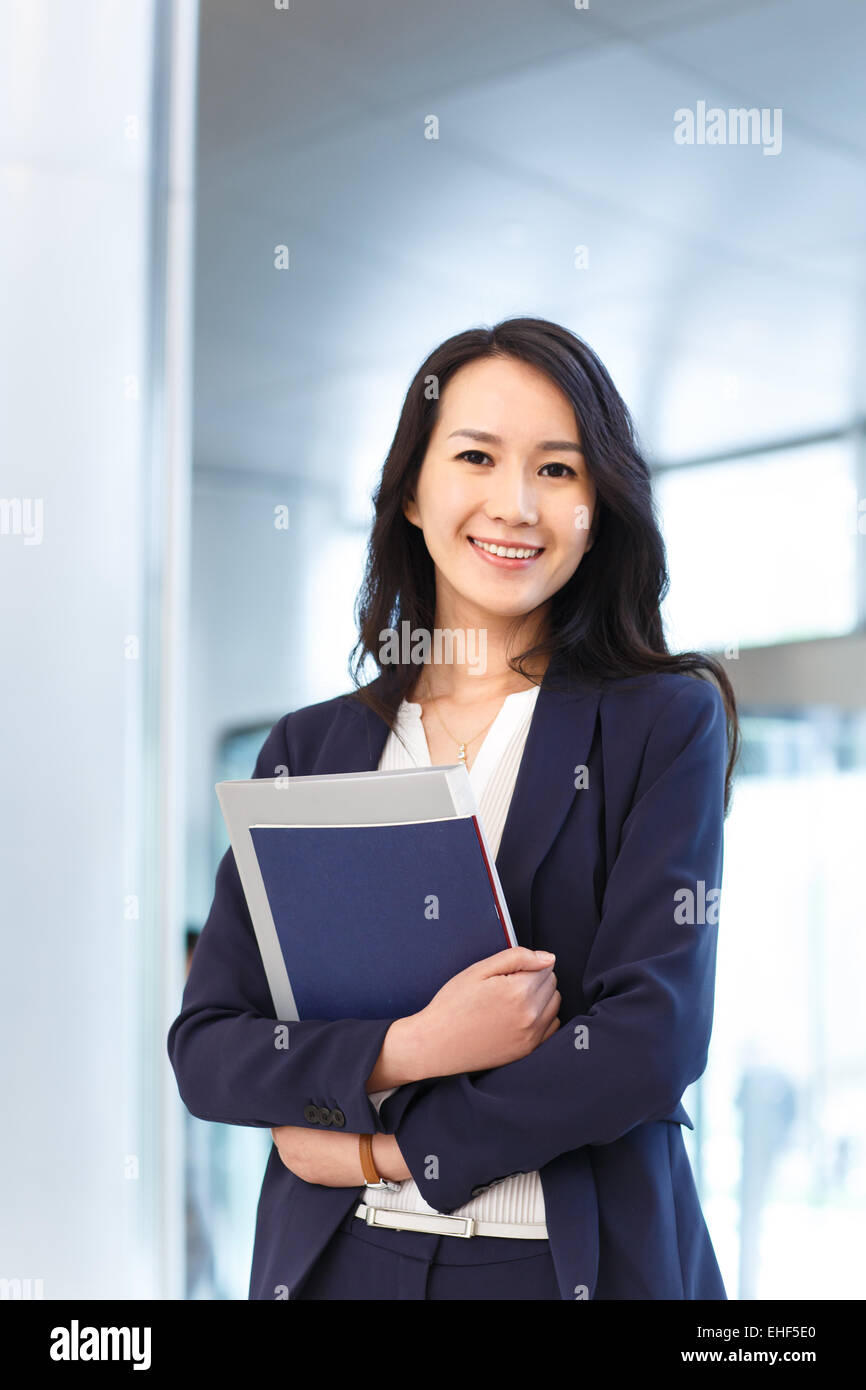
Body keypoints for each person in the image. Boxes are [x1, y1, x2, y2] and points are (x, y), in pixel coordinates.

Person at [167, 316, 740, 1300]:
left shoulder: (661, 722)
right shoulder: (309, 750)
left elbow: (653, 1038)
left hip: (563, 1267)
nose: (514, 504)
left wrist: (386, 1153)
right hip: (338, 1264)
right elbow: (211, 1047)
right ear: (412, 494)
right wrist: (417, 1045)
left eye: (556, 470)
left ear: (596, 506)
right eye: (475, 455)